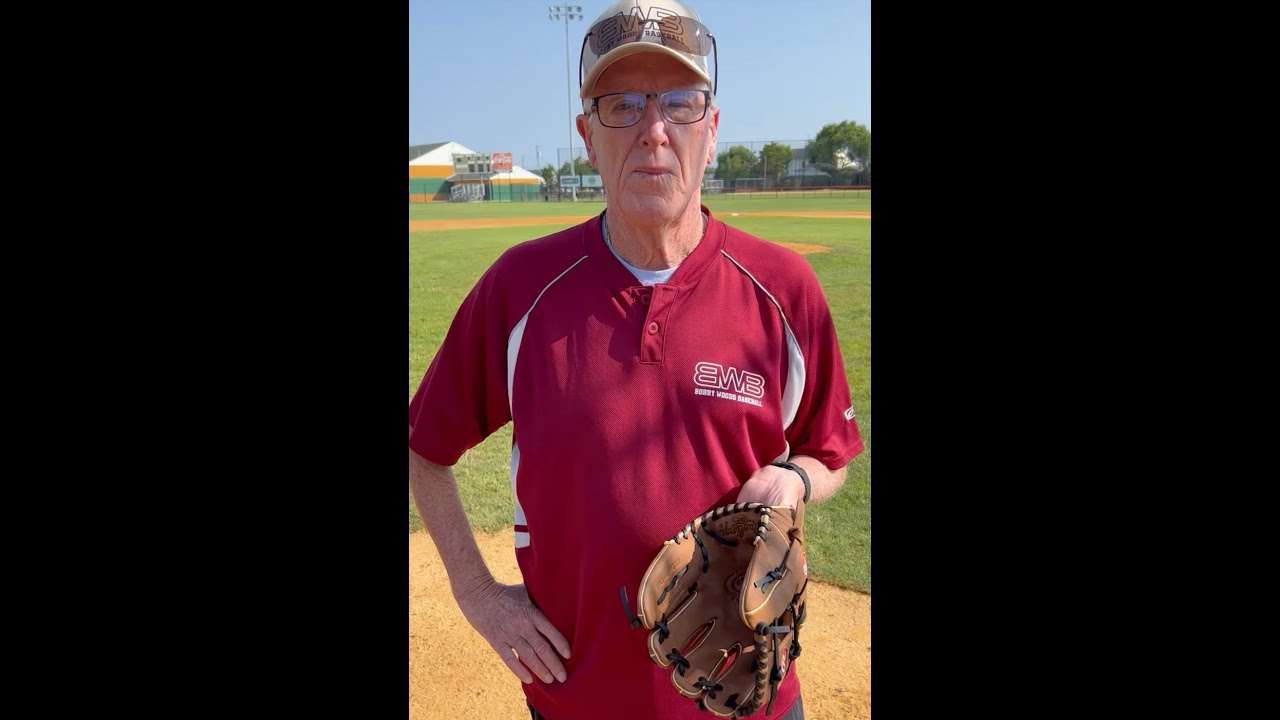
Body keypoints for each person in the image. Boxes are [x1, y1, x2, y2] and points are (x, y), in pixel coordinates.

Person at [407, 1, 863, 717]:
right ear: (588, 138)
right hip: (575, 696)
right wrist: (476, 594)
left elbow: (830, 452)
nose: (654, 130)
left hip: (750, 696)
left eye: (680, 104)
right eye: (621, 105)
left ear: (710, 133)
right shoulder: (522, 288)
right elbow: (422, 449)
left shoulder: (783, 289)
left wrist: (794, 481)